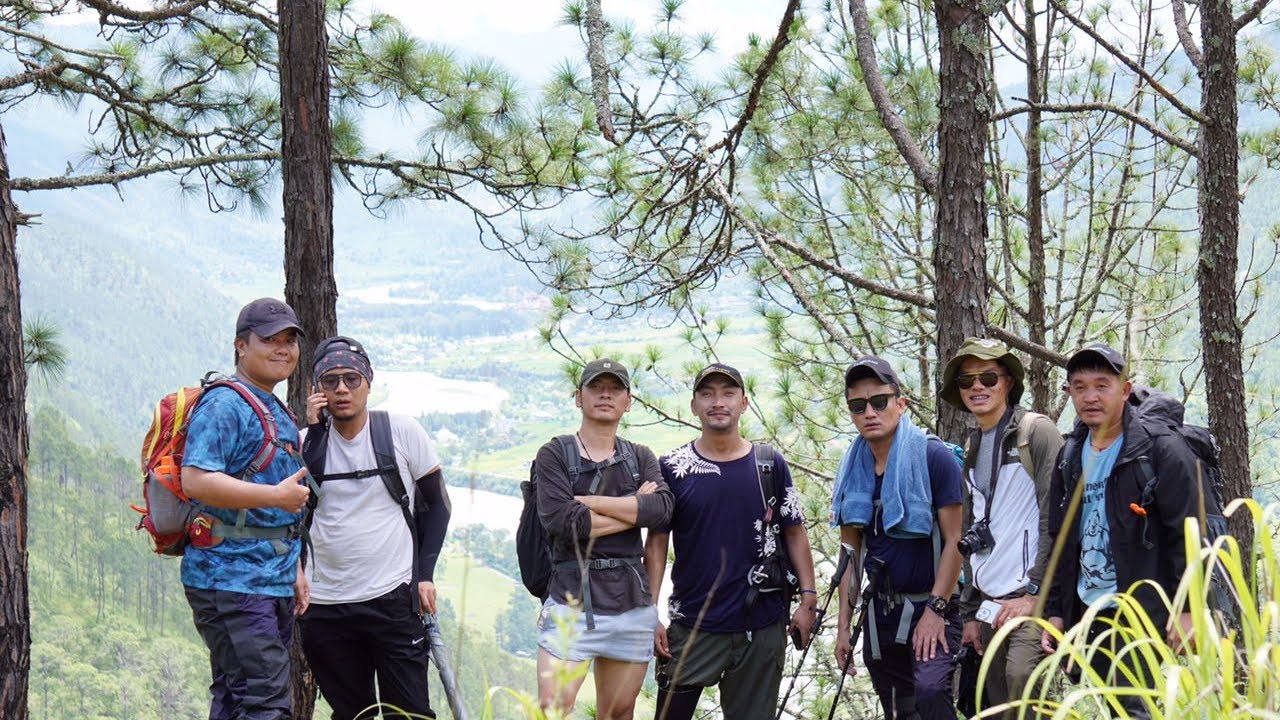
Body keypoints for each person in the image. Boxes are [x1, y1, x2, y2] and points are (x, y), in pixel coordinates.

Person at [646, 363, 818, 720]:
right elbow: (658, 543)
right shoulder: (674, 468)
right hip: (692, 626)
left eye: (727, 393)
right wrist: (650, 613)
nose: (717, 402)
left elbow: (794, 531)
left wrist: (808, 600)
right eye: (707, 394)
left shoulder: (769, 464)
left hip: (762, 624)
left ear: (745, 403)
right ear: (693, 405)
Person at [1041, 344, 1205, 706]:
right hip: (1087, 609)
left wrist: (1191, 608)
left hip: (1140, 609)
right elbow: (1061, 537)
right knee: (1111, 704)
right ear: (1069, 394)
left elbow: (1190, 533)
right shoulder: (1070, 454)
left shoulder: (1159, 449)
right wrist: (1055, 609)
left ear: (1125, 391)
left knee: (1135, 708)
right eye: (1080, 387)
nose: (1091, 397)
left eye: (1102, 385)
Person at [297, 336, 451, 720]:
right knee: (352, 714)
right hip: (324, 605)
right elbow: (290, 518)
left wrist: (425, 576)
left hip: (393, 598)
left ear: (368, 381)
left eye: (352, 378)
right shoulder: (303, 444)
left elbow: (438, 506)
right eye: (330, 381)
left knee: (410, 712)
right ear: (317, 389)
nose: (342, 389)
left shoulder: (401, 432)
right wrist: (315, 435)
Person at [180, 297, 312, 720]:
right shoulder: (225, 404)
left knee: (239, 696)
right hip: (231, 578)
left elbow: (274, 501)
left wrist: (292, 567)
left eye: (290, 340)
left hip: (265, 576)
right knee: (266, 703)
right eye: (270, 339)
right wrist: (275, 497)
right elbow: (196, 479)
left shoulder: (273, 406)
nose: (283, 349)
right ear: (241, 346)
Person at [534, 358, 674, 720]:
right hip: (571, 603)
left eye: (615, 389)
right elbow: (562, 522)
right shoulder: (554, 454)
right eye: (596, 387)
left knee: (618, 713)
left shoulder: (640, 456)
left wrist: (589, 504)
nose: (605, 394)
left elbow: (661, 511)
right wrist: (632, 508)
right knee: (553, 711)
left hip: (630, 603)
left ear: (629, 402)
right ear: (578, 397)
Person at [831, 356, 964, 720]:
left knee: (932, 695)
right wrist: (843, 627)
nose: (869, 412)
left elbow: (957, 541)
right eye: (858, 406)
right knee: (897, 708)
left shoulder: (933, 458)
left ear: (900, 404)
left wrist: (937, 611)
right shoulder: (852, 471)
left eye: (880, 401)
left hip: (934, 604)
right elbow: (849, 555)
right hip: (882, 614)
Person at [939, 338, 1063, 717]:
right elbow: (974, 532)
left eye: (988, 377)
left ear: (1008, 382)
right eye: (967, 380)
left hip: (1027, 598)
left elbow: (1056, 517)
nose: (977, 387)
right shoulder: (972, 446)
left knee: (1024, 684)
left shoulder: (1035, 432)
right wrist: (972, 611)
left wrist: (1037, 595)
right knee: (997, 704)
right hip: (991, 604)